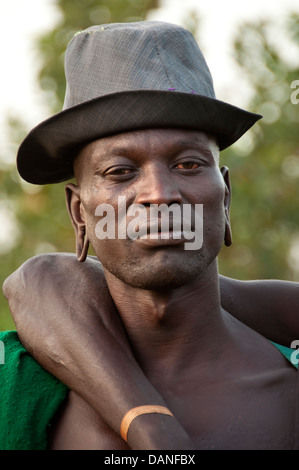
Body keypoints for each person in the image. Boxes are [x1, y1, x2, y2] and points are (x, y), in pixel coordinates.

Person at [1, 21, 299, 450]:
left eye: (189, 165)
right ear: (78, 213)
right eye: (121, 172)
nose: (160, 195)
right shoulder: (16, 386)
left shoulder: (286, 391)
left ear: (226, 196)